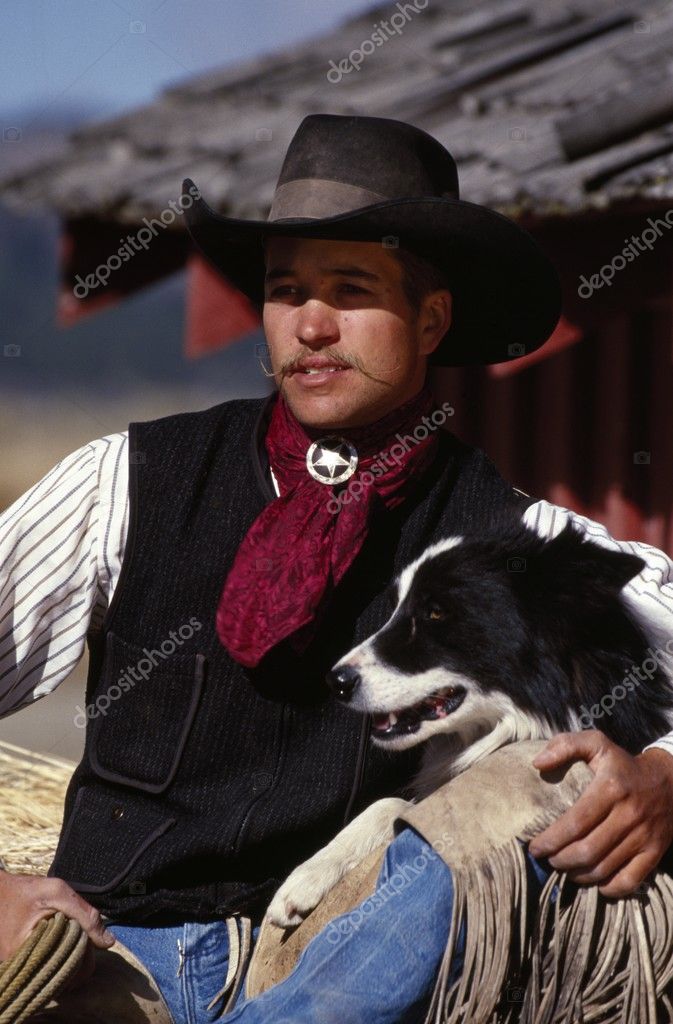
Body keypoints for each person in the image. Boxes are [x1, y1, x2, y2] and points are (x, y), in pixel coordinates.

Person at [2, 113, 673, 1024]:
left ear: (431, 317)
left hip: (347, 958)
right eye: (286, 291)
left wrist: (666, 773)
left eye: (350, 288)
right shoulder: (130, 480)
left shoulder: (516, 542)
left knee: (531, 789)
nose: (311, 325)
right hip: (119, 957)